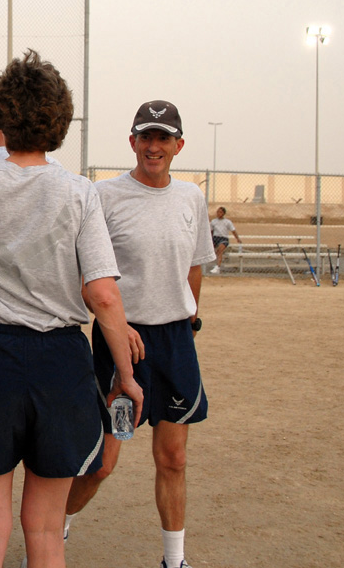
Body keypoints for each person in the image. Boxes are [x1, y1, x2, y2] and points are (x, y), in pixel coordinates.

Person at [0, 51, 143, 568]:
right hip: (60, 360)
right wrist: (126, 375)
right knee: (44, 530)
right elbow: (103, 293)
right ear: (59, 120)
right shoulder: (79, 191)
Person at [64, 100, 215, 568]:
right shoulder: (103, 195)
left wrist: (189, 320)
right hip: (120, 343)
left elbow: (194, 265)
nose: (154, 146)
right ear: (132, 142)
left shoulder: (191, 197)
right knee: (103, 462)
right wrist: (117, 325)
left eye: (163, 138)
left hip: (173, 344)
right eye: (145, 137)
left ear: (179, 145)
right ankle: (55, 529)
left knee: (173, 458)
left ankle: (174, 559)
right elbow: (87, 274)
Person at [208, 207, 241, 274]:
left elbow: (233, 231)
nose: (218, 213)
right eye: (217, 212)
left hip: (223, 238)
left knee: (219, 251)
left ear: (223, 213)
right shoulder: (213, 221)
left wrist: (237, 238)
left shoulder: (227, 222)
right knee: (213, 252)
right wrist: (210, 239)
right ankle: (215, 264)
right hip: (215, 238)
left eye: (220, 212)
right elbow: (211, 231)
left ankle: (218, 267)